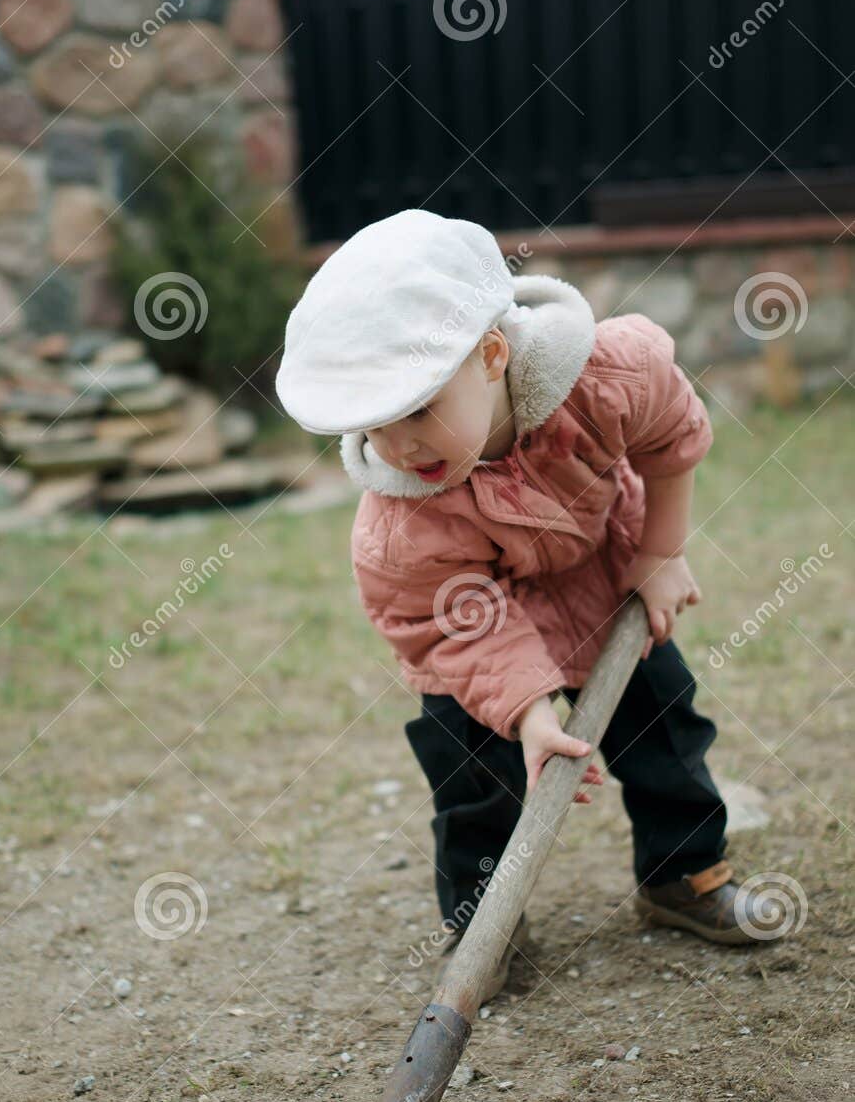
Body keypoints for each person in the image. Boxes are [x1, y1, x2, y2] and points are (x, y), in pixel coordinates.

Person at [276, 209, 763, 1000]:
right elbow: (447, 622)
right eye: (374, 424)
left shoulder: (603, 374)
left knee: (663, 722)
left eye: (417, 410)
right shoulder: (401, 522)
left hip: (607, 575)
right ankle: (485, 920)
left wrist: (660, 552)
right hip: (476, 625)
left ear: (493, 354)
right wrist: (532, 713)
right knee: (473, 773)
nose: (398, 448)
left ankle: (682, 874)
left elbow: (672, 428)